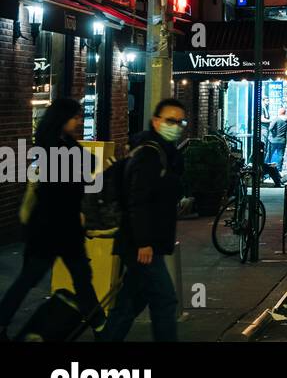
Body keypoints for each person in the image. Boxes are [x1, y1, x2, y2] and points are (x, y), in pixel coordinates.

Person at [0, 99, 102, 341]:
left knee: (79, 278)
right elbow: (75, 178)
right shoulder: (50, 147)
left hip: (64, 227)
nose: (78, 121)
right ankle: (101, 326)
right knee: (31, 278)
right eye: (74, 117)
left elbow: (88, 167)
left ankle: (101, 326)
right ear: (61, 118)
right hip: (49, 228)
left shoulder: (64, 144)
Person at [100, 99, 186, 342]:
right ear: (156, 121)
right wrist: (143, 242)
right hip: (141, 244)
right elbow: (137, 200)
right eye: (171, 120)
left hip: (148, 241)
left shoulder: (167, 154)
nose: (176, 126)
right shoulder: (149, 154)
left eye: (181, 122)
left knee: (130, 302)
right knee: (165, 299)